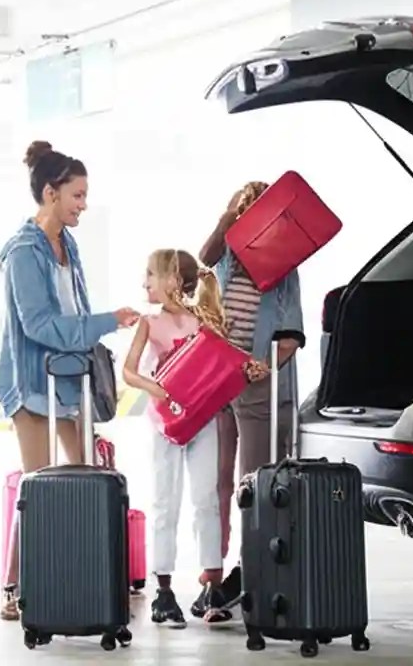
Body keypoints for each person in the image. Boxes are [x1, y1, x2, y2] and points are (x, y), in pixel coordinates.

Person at [0, 140, 140, 621]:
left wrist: (93, 327)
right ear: (51, 192)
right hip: (33, 379)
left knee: (87, 477)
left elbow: (72, 308)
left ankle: (80, 573)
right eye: (77, 195)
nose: (83, 204)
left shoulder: (68, 244)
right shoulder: (21, 251)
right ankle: (14, 586)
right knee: (36, 487)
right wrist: (103, 322)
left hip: (71, 380)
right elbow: (37, 324)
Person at [121, 249, 254, 627]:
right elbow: (129, 372)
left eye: (150, 274)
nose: (144, 281)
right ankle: (164, 590)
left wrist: (248, 367)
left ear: (173, 281)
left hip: (203, 419)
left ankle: (210, 584)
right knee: (166, 499)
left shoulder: (202, 322)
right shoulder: (149, 323)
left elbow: (223, 363)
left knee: (206, 499)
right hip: (166, 422)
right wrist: (157, 389)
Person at [198, 180, 306, 621]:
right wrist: (226, 220)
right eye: (246, 218)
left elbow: (291, 334)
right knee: (219, 482)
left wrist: (263, 365)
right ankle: (216, 580)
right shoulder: (223, 260)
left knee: (254, 483)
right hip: (219, 380)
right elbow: (203, 260)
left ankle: (251, 576)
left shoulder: (284, 266)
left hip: (260, 385)